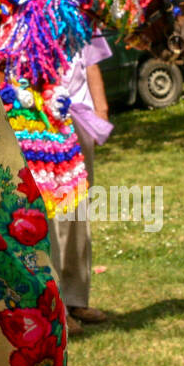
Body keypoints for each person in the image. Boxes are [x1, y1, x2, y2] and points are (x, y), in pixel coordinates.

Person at [48, 39, 113, 336]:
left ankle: (76, 299)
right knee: (56, 219)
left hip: (81, 120)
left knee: (79, 213)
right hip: (45, 126)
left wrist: (101, 112)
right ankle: (56, 306)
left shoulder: (73, 9)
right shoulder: (23, 6)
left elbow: (91, 62)